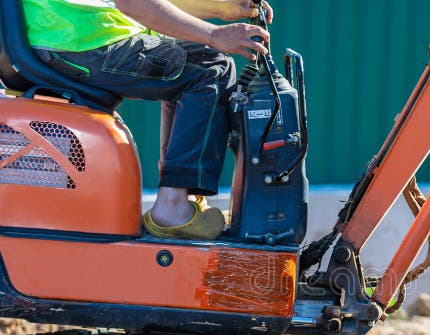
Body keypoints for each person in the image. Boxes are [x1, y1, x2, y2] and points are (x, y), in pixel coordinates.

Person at [21, 0, 273, 240]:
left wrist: (220, 8)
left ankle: (179, 194)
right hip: (80, 43)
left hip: (68, 38)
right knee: (211, 68)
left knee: (188, 63)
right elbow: (134, 5)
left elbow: (149, 6)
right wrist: (214, 35)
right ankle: (172, 203)